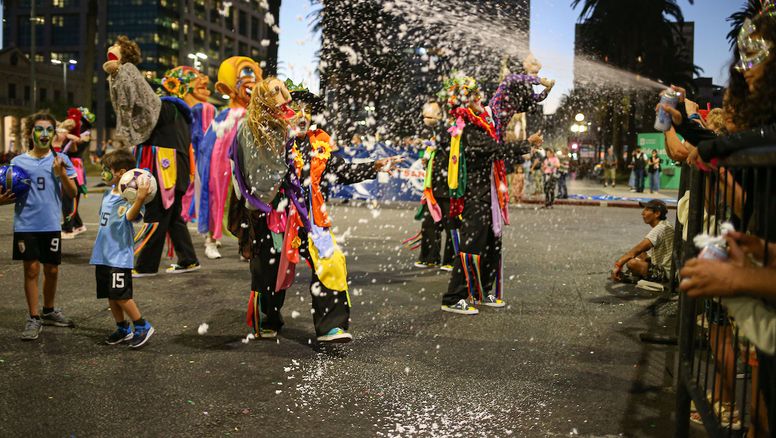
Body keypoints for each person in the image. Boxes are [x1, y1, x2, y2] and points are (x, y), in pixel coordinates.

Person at [440, 75, 541, 314]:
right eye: (472, 95)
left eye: (477, 93)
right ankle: (453, 297)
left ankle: (481, 291)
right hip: (476, 196)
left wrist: (525, 148)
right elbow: (494, 149)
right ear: (463, 102)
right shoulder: (466, 129)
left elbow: (497, 152)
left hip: (489, 195)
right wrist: (526, 144)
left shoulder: (479, 124)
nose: (478, 98)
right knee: (472, 244)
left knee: (491, 243)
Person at [103, 35, 200, 276]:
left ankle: (146, 265)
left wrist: (118, 72)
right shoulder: (176, 112)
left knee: (157, 210)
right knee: (173, 214)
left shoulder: (160, 105)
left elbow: (133, 94)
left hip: (161, 162)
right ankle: (188, 259)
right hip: (176, 164)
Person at [0, 112, 77, 340]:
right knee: (31, 269)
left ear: (54, 133)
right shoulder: (17, 162)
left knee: (52, 270)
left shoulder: (61, 159)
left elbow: (72, 193)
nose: (44, 134)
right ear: (30, 134)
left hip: (51, 223)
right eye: (39, 129)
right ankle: (34, 317)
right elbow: (9, 194)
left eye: (48, 130)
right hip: (26, 224)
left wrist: (61, 173)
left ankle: (49, 310)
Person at [90, 149, 155, 348]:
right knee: (111, 295)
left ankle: (142, 326)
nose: (103, 173)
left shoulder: (132, 197)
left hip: (118, 257)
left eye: (106, 169)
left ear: (121, 172)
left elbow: (130, 217)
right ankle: (122, 328)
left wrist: (140, 199)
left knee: (122, 295)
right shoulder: (108, 194)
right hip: (102, 255)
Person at [415, 99, 455, 271]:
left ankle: (451, 260)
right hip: (434, 188)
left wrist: (436, 122)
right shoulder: (435, 135)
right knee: (429, 224)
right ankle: (429, 257)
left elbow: (445, 142)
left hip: (448, 187)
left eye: (432, 110)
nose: (427, 113)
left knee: (451, 225)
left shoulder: (452, 129)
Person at [611, 199, 674, 284]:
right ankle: (641, 275)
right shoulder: (665, 224)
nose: (642, 213)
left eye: (647, 210)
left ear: (657, 214)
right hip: (667, 267)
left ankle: (644, 278)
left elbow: (637, 249)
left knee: (632, 263)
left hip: (666, 274)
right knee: (641, 255)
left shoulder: (660, 228)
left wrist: (618, 264)